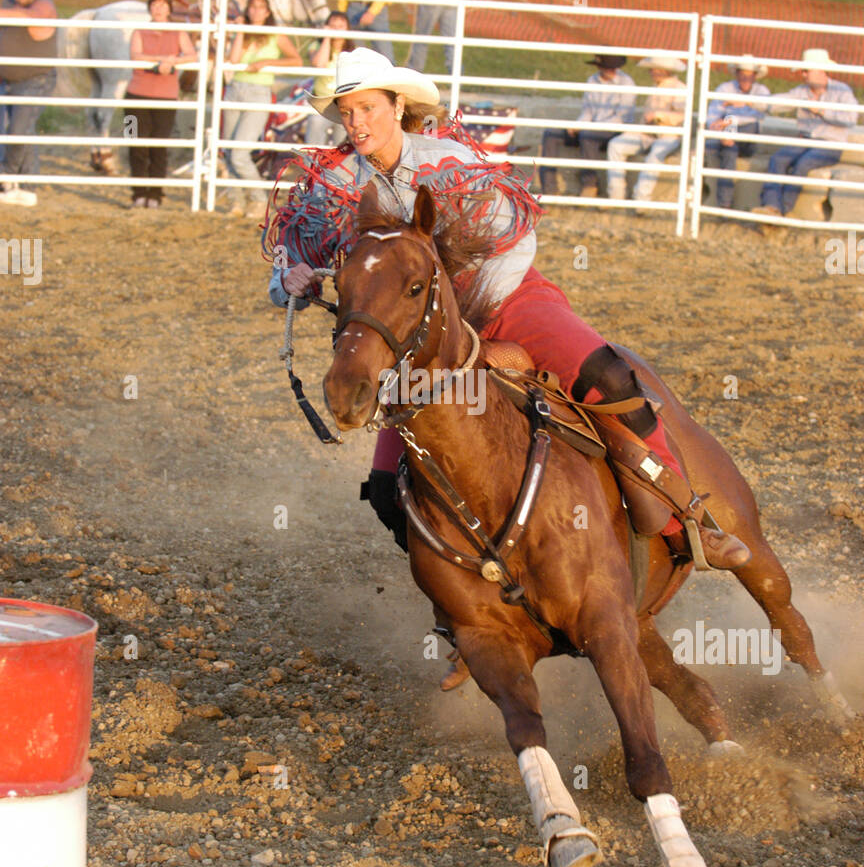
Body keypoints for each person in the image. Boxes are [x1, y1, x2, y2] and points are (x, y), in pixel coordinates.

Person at [266, 47, 751, 592]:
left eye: (368, 108)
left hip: (508, 300)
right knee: (384, 490)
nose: (357, 123)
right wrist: (291, 283)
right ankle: (465, 604)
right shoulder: (335, 190)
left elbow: (514, 241)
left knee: (609, 378)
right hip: (418, 341)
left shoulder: (448, 162)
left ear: (397, 105)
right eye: (347, 112)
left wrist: (471, 320)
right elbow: (289, 267)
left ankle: (686, 519)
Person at [223, 0, 302, 219]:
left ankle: (258, 199)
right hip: (236, 89)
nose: (256, 11)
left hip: (259, 93)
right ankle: (237, 201)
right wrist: (240, 31)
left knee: (239, 152)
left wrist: (267, 62)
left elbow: (295, 59)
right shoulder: (243, 34)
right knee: (229, 151)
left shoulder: (275, 35)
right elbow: (234, 59)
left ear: (267, 13)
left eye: (261, 8)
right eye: (253, 7)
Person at [756, 48, 858, 218]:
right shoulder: (801, 92)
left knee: (804, 164)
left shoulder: (842, 91)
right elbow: (777, 103)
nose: (803, 75)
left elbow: (850, 118)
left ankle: (784, 209)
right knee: (778, 159)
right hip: (805, 140)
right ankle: (772, 206)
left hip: (830, 144)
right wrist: (750, 101)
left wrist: (821, 111)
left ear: (820, 71)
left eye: (806, 70)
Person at [125, 0, 198, 208]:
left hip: (165, 98)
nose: (158, 9)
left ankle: (155, 194)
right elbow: (135, 56)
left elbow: (192, 55)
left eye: (162, 5)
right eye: (154, 5)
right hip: (135, 96)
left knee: (159, 145)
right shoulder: (139, 31)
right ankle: (138, 193)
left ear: (169, 8)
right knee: (134, 143)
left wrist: (172, 62)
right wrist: (161, 60)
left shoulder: (177, 33)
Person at [539, 55, 636, 196]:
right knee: (551, 134)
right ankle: (549, 189)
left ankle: (590, 184)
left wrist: (589, 127)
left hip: (614, 131)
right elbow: (588, 112)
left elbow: (621, 118)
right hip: (592, 128)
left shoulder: (627, 83)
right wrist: (578, 125)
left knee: (587, 135)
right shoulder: (593, 80)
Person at [0, 0, 57, 206]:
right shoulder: (9, 1)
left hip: (34, 79)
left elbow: (37, 21)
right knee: (22, 130)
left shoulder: (43, 3)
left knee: (18, 130)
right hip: (7, 79)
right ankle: (25, 186)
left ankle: (6, 176)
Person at [606, 56, 687, 201]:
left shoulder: (680, 88)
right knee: (616, 145)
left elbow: (681, 116)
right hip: (647, 132)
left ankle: (642, 196)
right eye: (652, 69)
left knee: (656, 155)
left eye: (655, 69)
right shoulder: (655, 87)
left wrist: (659, 115)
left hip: (669, 134)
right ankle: (616, 193)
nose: (651, 72)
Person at [703, 56, 770, 208]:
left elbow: (758, 116)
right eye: (742, 74)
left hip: (747, 135)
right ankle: (725, 203)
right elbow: (712, 117)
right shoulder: (725, 89)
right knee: (728, 151)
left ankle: (723, 203)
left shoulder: (761, 91)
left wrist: (728, 124)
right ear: (737, 74)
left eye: (749, 74)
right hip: (728, 132)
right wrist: (723, 129)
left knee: (725, 143)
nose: (746, 78)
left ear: (754, 76)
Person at [303, 11, 354, 148]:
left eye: (341, 26)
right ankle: (311, 168)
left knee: (342, 147)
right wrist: (326, 38)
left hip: (344, 103)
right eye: (333, 26)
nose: (337, 29)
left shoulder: (354, 52)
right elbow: (320, 64)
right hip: (321, 103)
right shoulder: (316, 47)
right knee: (314, 145)